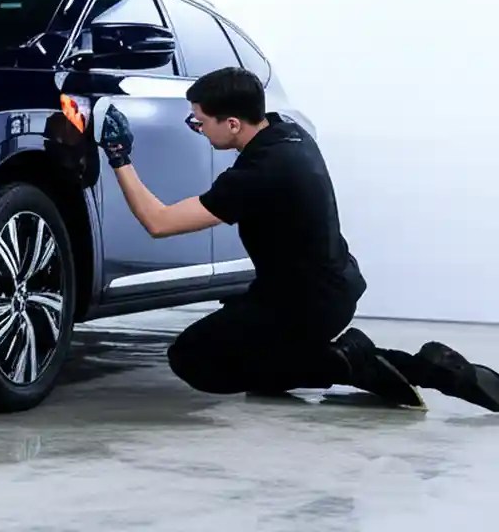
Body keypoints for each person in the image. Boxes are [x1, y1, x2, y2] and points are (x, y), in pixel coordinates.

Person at [96, 66, 499, 411]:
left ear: (233, 124)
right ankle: (411, 365)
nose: (197, 129)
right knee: (263, 372)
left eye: (199, 122)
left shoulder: (257, 175)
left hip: (305, 305)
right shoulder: (290, 135)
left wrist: (118, 156)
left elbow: (159, 222)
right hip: (331, 284)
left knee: (192, 360)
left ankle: (356, 362)